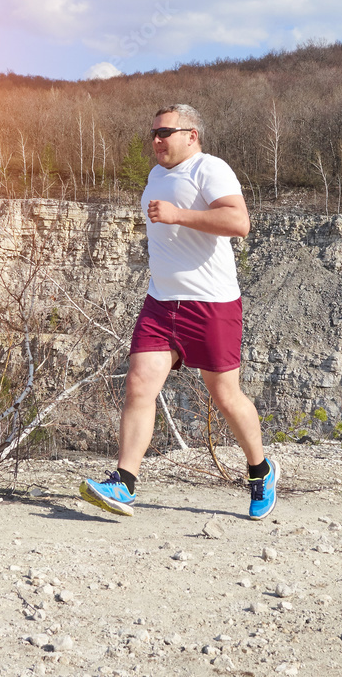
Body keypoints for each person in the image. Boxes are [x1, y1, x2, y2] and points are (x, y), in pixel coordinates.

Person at [80, 104, 279, 520]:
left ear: (191, 134)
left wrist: (178, 216)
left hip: (211, 304)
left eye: (164, 132)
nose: (156, 140)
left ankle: (260, 471)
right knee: (139, 385)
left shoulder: (211, 169)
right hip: (161, 302)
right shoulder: (156, 176)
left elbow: (239, 222)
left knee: (225, 396)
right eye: (152, 133)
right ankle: (124, 483)